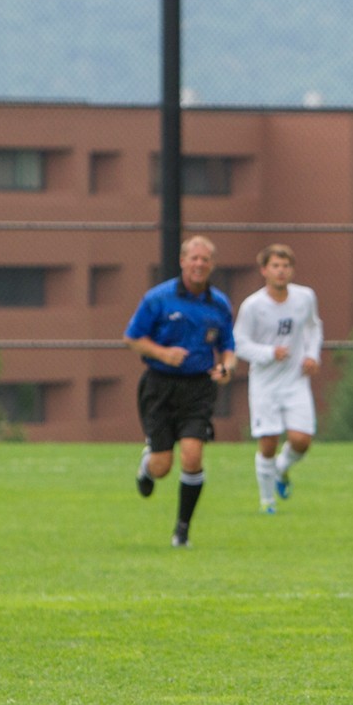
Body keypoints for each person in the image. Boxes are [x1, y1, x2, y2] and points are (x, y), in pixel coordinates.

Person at [124, 235, 237, 548]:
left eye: (205, 259)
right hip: (159, 385)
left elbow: (228, 346)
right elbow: (132, 338)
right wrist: (163, 354)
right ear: (183, 262)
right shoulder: (158, 298)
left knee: (192, 455)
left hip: (198, 387)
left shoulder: (219, 304)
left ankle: (182, 530)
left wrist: (228, 367)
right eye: (194, 258)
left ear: (212, 265)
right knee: (162, 466)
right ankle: (147, 465)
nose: (199, 264)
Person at [233, 244, 324, 514]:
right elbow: (239, 343)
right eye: (275, 266)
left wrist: (311, 355)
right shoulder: (253, 306)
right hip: (264, 384)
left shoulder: (305, 297)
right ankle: (267, 502)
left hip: (295, 380)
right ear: (264, 271)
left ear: (292, 270)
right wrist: (269, 352)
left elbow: (313, 327)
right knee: (269, 442)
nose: (281, 271)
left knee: (302, 440)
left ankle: (281, 471)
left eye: (285, 266)